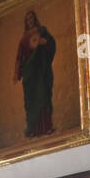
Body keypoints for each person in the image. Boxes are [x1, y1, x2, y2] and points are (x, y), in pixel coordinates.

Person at [14, 9, 56, 138]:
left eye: (32, 18)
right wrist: (17, 73)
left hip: (41, 70)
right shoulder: (23, 39)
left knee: (43, 97)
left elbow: (52, 43)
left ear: (35, 19)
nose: (30, 21)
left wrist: (46, 43)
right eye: (28, 19)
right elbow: (19, 57)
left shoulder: (42, 31)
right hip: (30, 73)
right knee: (31, 100)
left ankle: (46, 127)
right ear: (26, 22)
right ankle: (33, 129)